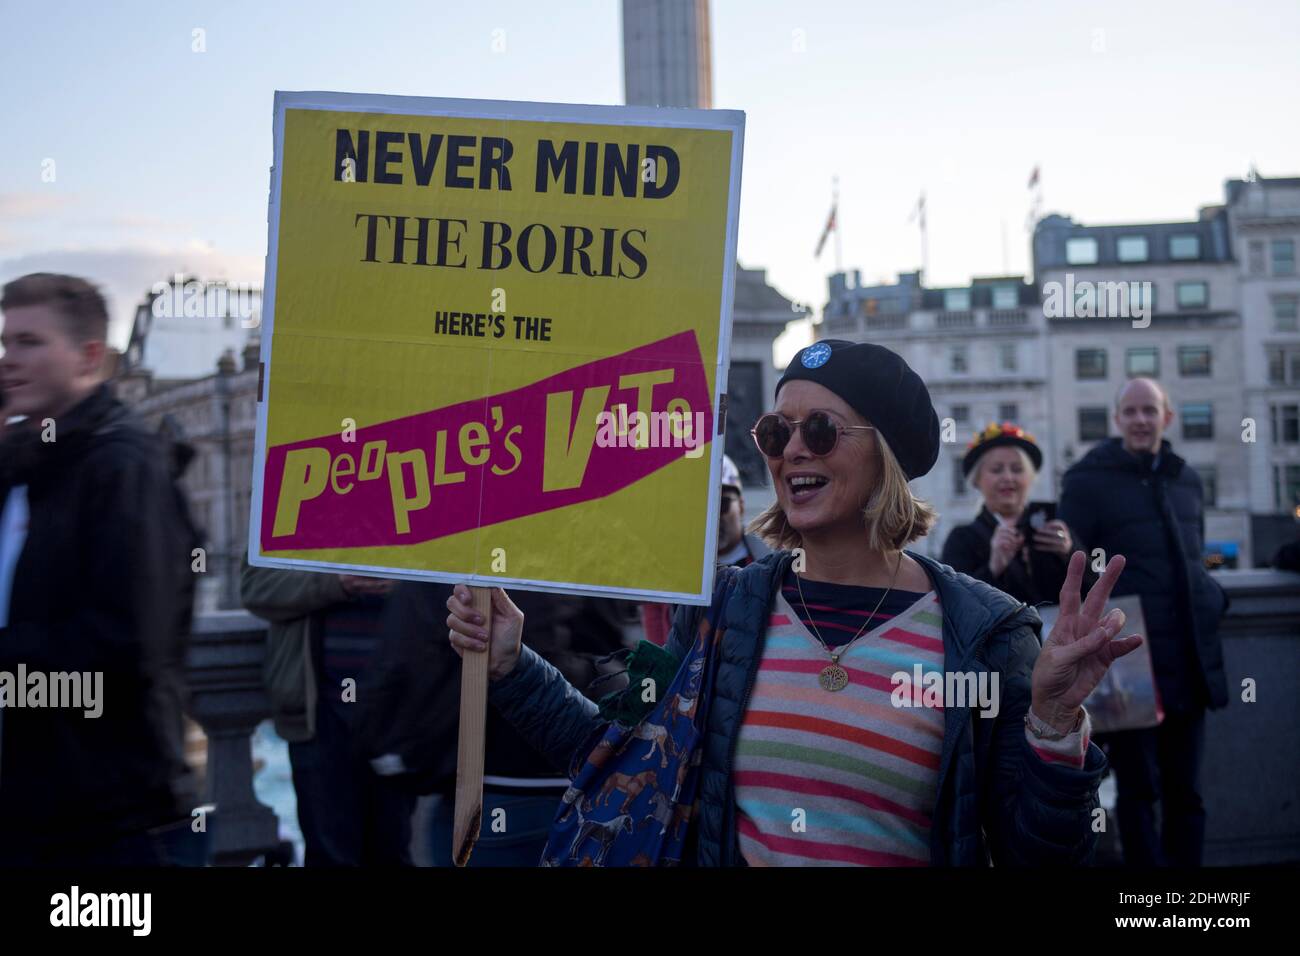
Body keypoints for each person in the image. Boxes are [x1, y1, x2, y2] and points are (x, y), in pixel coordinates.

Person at [447, 339, 1143, 866]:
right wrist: (513, 663)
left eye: (821, 430)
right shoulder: (722, 610)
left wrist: (1054, 725)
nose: (789, 453)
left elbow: (1049, 854)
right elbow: (616, 754)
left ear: (887, 458)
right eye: (776, 433)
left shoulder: (984, 632)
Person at [0, 273, 200, 865]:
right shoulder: (32, 463)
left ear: (90, 356)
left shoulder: (123, 466)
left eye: (30, 343)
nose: (8, 360)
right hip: (35, 808)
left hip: (112, 821)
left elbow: (128, 643)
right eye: (6, 342)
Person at [1058, 376, 1229, 867]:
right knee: (1138, 794)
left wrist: (1213, 599)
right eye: (1130, 412)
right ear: (1117, 420)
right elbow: (1073, 566)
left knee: (1188, 794)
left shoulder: (1186, 477)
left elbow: (1194, 559)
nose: (1139, 420)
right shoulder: (1086, 479)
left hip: (1191, 658)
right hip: (1130, 664)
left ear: (1166, 418)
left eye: (1149, 411)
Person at [362, 583, 631, 866]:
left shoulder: (456, 559)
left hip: (494, 778)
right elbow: (610, 654)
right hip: (573, 777)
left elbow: (404, 655)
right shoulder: (593, 555)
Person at [241, 562, 416, 866]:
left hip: (399, 710)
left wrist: (410, 581)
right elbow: (256, 587)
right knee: (332, 855)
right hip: (320, 714)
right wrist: (334, 582)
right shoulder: (282, 513)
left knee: (392, 851)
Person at [941, 422, 1079, 606]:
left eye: (1017, 469)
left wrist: (1069, 553)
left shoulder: (1055, 529)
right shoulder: (962, 539)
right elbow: (953, 602)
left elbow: (1095, 586)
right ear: (977, 480)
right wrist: (993, 567)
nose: (1008, 477)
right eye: (997, 470)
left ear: (1030, 478)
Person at [640, 454, 770, 645]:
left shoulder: (772, 568)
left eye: (723, 504)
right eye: (702, 507)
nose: (713, 516)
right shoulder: (666, 578)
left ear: (741, 506)